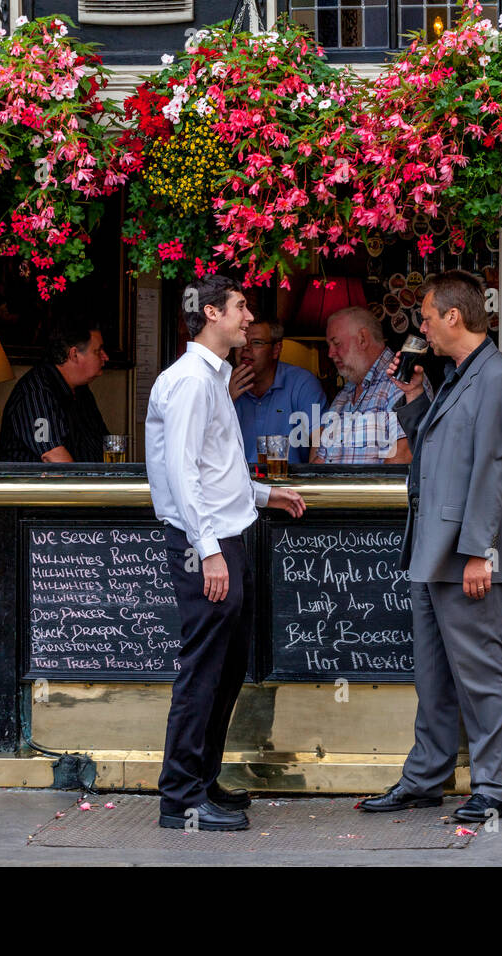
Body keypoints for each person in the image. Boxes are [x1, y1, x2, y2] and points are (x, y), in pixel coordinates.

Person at [357, 270, 502, 824]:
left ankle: (493, 787)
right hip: (431, 550)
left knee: (480, 674)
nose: (421, 327)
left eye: (426, 316)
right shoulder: (456, 375)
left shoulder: (497, 379)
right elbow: (438, 449)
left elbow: (495, 471)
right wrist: (413, 401)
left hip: (465, 553)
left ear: (454, 315)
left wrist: (481, 550)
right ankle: (427, 777)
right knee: (433, 676)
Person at [145, 275, 307, 831]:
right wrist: (209, 551)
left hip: (221, 537)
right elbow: (182, 474)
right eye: (240, 308)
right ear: (211, 313)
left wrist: (264, 493)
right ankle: (180, 798)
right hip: (205, 545)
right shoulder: (191, 380)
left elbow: (214, 468)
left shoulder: (212, 378)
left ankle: (202, 778)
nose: (248, 318)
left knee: (228, 666)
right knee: (204, 668)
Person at [310, 307, 417, 465]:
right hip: (340, 490)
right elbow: (321, 461)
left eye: (336, 343)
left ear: (362, 338)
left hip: (376, 491)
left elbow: (403, 455)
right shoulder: (344, 396)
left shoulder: (399, 382)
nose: (330, 353)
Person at [0, 318, 109, 462]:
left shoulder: (82, 391)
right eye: (98, 351)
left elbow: (105, 444)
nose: (106, 357)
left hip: (86, 482)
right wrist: (88, 484)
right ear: (73, 354)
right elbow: (53, 457)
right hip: (35, 484)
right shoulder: (37, 392)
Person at [229, 318, 326, 464]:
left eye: (256, 342)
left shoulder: (301, 383)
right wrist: (225, 401)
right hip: (236, 484)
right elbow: (200, 444)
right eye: (242, 341)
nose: (246, 348)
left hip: (288, 484)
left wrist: (311, 483)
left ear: (276, 350)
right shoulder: (224, 385)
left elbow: (322, 443)